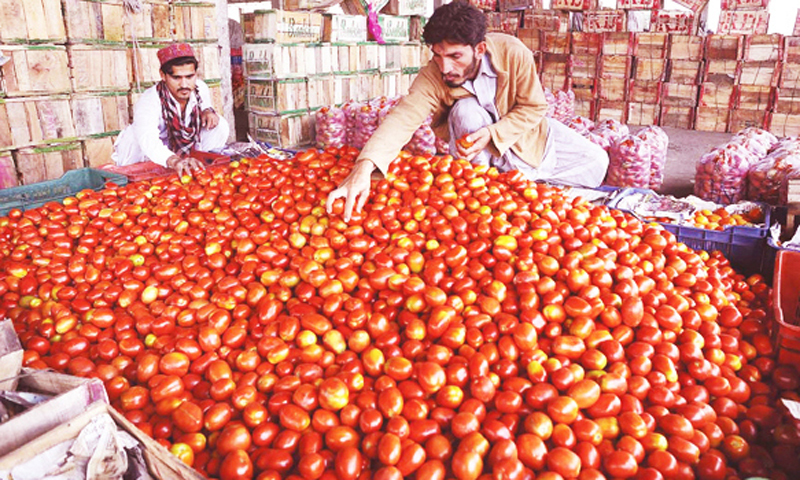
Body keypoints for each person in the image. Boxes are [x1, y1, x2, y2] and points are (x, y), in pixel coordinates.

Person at [327, 1, 608, 221]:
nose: (445, 67)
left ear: (479, 49)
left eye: (454, 56)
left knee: (598, 163)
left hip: (525, 136)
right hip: (475, 154)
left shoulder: (513, 52)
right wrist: (365, 167)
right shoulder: (433, 75)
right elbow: (403, 118)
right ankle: (481, 194)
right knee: (466, 111)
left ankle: (522, 180)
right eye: (437, 55)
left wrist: (493, 133)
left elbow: (534, 107)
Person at [112, 43, 229, 177]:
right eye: (176, 78)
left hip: (182, 146)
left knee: (220, 125)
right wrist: (173, 160)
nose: (184, 85)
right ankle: (138, 175)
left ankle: (200, 165)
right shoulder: (149, 100)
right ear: (163, 75)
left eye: (189, 77)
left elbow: (205, 104)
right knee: (134, 136)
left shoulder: (200, 88)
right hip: (150, 152)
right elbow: (148, 139)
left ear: (195, 74)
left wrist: (208, 111)